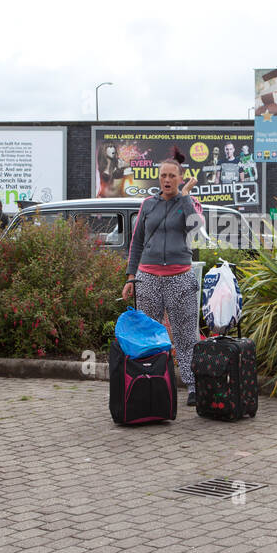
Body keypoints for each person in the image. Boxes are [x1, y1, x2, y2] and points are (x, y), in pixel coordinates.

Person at [121, 158, 201, 405]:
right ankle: (151, 381)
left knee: (186, 335)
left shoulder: (189, 203)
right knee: (148, 334)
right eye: (163, 176)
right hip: (148, 277)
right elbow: (136, 243)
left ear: (180, 178)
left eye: (172, 176)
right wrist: (131, 277)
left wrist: (185, 195)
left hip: (180, 277)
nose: (167, 180)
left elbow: (196, 228)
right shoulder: (148, 205)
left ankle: (193, 387)